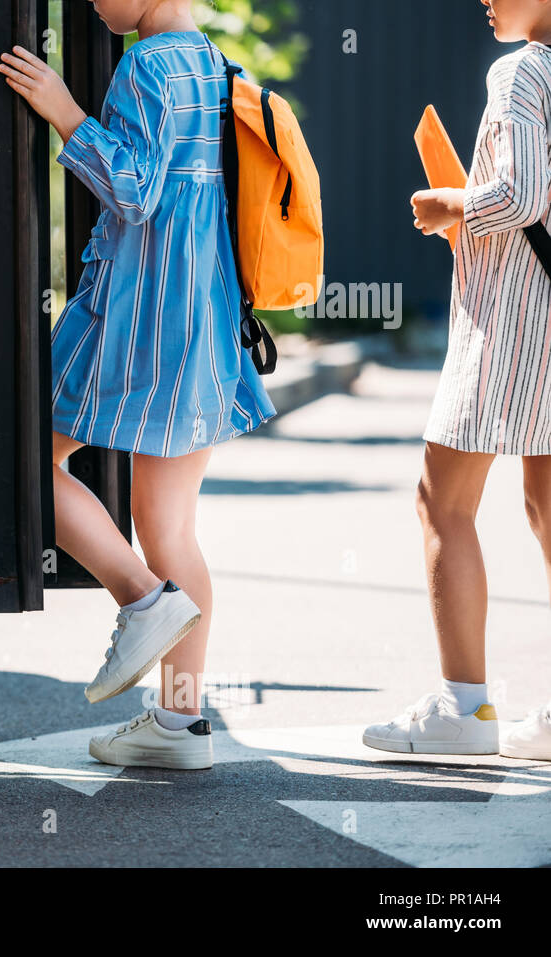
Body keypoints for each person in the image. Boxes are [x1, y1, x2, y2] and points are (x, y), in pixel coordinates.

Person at [0, 0, 276, 770]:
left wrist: (64, 111)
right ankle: (181, 722)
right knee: (173, 530)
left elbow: (137, 191)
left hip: (134, 318)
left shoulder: (147, 64)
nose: (90, 0)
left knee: (25, 460)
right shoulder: (209, 61)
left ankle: (139, 597)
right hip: (201, 320)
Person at [363, 0, 551, 759]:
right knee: (545, 506)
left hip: (510, 321)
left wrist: (450, 204)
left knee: (442, 500)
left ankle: (464, 711)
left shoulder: (522, 72)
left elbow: (520, 196)